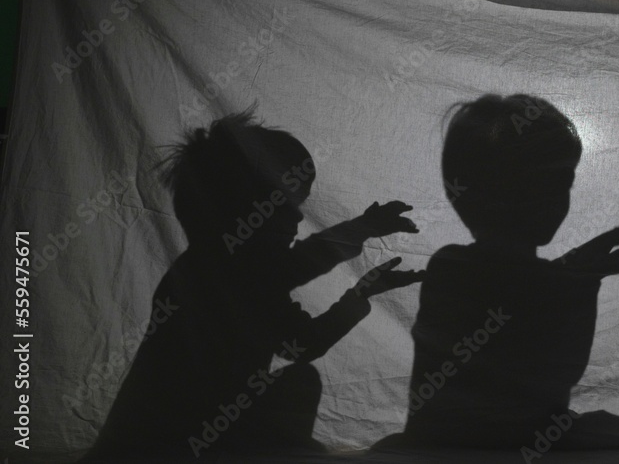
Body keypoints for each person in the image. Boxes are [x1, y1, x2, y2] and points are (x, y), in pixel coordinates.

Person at [85, 111, 422, 460]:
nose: (298, 217)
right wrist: (361, 279)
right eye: (285, 204)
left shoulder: (205, 267)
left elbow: (290, 278)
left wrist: (361, 238)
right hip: (179, 447)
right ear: (241, 209)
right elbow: (302, 336)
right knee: (300, 385)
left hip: (151, 442)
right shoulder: (231, 272)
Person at [383, 94, 619, 451]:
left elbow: (524, 287)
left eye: (564, 183)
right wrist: (583, 278)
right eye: (542, 181)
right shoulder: (457, 268)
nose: (556, 197)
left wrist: (580, 272)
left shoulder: (454, 266)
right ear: (494, 189)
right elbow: (560, 366)